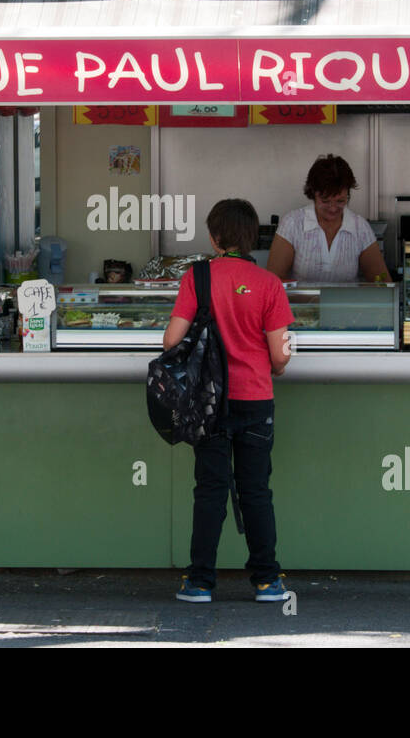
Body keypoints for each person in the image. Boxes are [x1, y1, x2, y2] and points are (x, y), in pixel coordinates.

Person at [162, 198, 294, 603]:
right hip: (255, 400)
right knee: (256, 490)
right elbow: (280, 354)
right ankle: (268, 581)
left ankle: (200, 581)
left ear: (215, 237)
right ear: (251, 238)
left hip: (209, 402)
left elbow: (170, 341)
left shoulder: (196, 278)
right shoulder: (269, 284)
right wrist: (274, 363)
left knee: (210, 489)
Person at [266, 154, 391, 284]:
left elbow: (381, 280)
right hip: (300, 304)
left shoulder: (360, 228)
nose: (333, 208)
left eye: (340, 201)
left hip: (347, 303)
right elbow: (273, 281)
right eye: (325, 201)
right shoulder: (293, 224)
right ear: (313, 194)